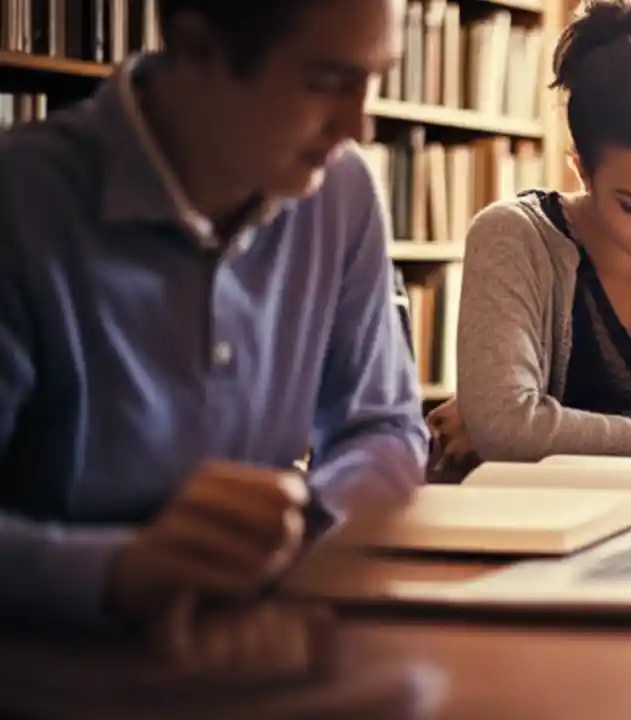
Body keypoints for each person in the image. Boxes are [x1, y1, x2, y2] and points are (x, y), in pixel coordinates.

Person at [0, 0, 428, 670]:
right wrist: (116, 572)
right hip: (52, 667)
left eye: (374, 78)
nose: (359, 125)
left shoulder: (343, 194)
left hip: (253, 648)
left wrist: (305, 518)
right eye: (324, 81)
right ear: (195, 49)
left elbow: (386, 426)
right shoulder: (20, 204)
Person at [428, 0, 631, 466]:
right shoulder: (513, 237)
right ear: (581, 170)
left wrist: (545, 428)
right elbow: (507, 433)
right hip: (538, 529)